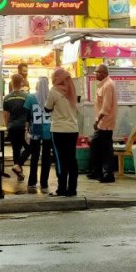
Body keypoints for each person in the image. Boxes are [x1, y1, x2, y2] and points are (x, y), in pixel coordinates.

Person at [44, 66, 80, 197]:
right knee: (72, 159)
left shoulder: (53, 91)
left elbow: (47, 108)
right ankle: (72, 189)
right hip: (73, 129)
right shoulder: (72, 91)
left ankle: (61, 189)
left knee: (60, 160)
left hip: (59, 130)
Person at [87, 63, 118, 183]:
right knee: (96, 146)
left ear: (104, 73)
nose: (95, 74)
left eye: (97, 72)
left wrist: (97, 121)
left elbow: (106, 107)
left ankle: (108, 174)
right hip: (102, 123)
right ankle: (97, 171)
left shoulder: (108, 85)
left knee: (105, 149)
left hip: (105, 123)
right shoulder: (103, 85)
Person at [23, 77, 52, 193]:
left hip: (35, 130)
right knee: (46, 157)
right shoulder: (51, 97)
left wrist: (26, 129)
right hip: (49, 131)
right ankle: (44, 182)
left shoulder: (30, 97)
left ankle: (32, 182)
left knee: (35, 156)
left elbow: (26, 115)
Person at [3, 72, 30, 181]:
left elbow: (5, 114)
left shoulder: (7, 98)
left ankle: (19, 173)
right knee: (29, 148)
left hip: (12, 126)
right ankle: (18, 165)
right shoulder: (26, 97)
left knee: (16, 149)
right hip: (22, 126)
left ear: (12, 83)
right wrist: (28, 126)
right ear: (22, 82)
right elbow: (28, 113)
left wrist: (7, 126)